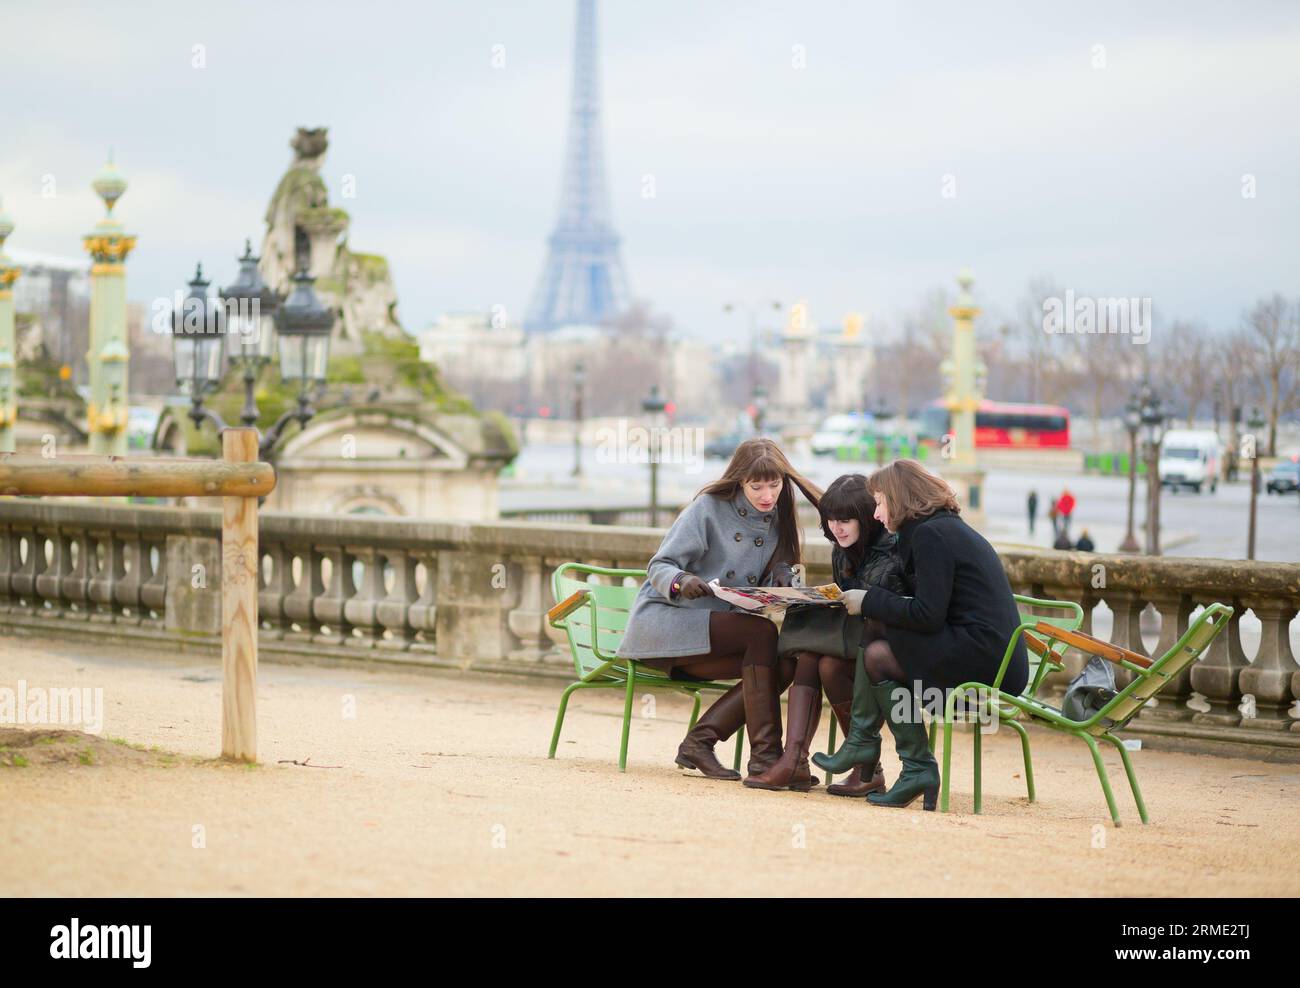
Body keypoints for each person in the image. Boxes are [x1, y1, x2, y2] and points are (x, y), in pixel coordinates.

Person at [813, 460, 1029, 811]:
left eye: (880, 502)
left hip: (985, 663)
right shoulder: (940, 528)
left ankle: (901, 759)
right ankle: (877, 749)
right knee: (877, 635)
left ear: (899, 499)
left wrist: (869, 600)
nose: (877, 514)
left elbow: (928, 616)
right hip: (988, 653)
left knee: (877, 654)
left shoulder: (931, 535)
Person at [615, 438, 823, 785]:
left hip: (717, 635)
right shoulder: (708, 508)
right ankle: (766, 758)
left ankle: (700, 742)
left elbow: (770, 572)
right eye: (756, 486)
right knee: (761, 633)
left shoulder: (778, 517)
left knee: (785, 663)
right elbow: (660, 565)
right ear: (740, 480)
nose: (766, 494)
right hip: (668, 621)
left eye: (775, 484)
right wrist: (681, 580)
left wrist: (783, 578)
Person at [746, 473, 906, 795]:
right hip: (856, 644)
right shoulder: (841, 550)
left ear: (865, 517)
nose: (837, 528)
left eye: (845, 520)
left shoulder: (892, 551)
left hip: (888, 653)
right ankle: (798, 760)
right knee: (815, 659)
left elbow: (888, 614)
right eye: (831, 520)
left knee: (827, 664)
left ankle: (859, 768)